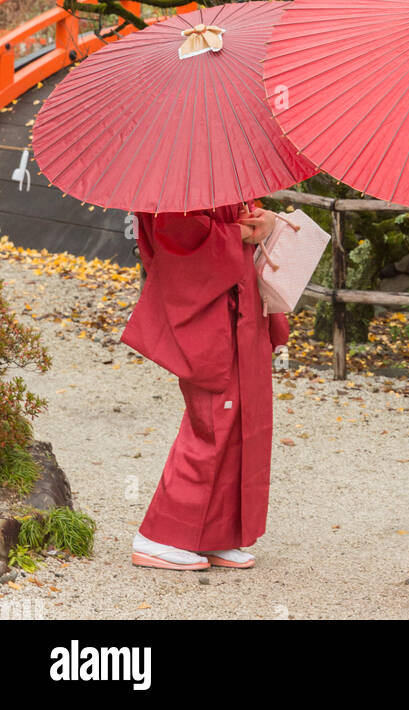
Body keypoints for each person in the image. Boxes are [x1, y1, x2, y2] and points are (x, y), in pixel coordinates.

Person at [121, 201, 286, 571]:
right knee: (212, 421)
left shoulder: (213, 164)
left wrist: (263, 218)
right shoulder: (170, 180)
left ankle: (214, 534)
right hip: (208, 310)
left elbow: (240, 210)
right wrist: (242, 233)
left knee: (243, 416)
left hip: (242, 302)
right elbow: (179, 240)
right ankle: (159, 536)